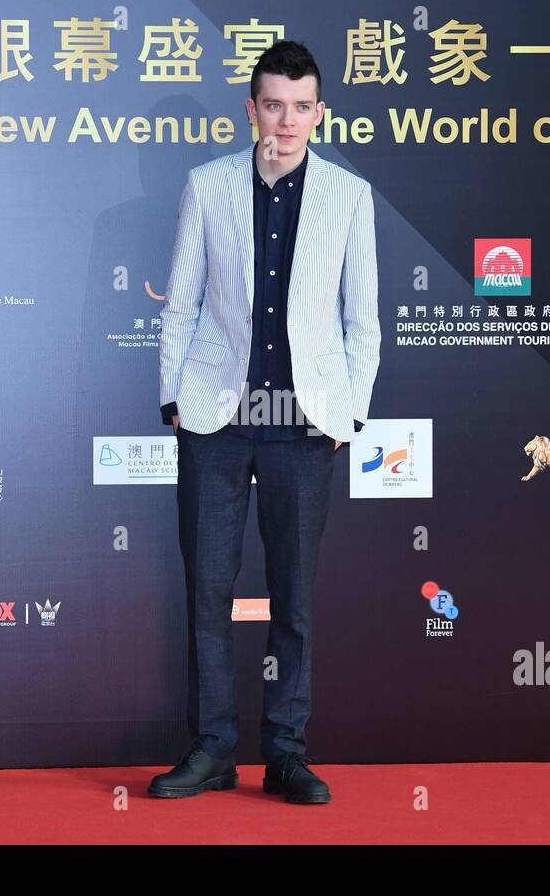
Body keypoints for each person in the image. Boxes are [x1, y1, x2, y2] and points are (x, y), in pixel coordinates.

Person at [148, 40, 380, 804]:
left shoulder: (349, 196)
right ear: (251, 110)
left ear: (320, 112)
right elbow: (180, 303)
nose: (286, 121)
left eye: (300, 106)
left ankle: (286, 753)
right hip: (217, 419)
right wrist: (175, 402)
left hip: (306, 426)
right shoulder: (207, 186)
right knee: (208, 592)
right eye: (272, 105)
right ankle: (213, 748)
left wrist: (350, 414)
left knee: (295, 601)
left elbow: (363, 323)